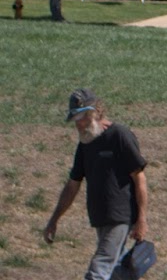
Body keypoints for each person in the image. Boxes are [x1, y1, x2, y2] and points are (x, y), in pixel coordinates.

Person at [43, 88, 149, 279]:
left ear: (98, 111)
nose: (79, 124)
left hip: (120, 216)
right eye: (75, 119)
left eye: (83, 116)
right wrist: (54, 219)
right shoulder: (85, 144)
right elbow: (73, 185)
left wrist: (141, 219)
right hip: (100, 217)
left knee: (98, 270)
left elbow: (139, 178)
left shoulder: (120, 135)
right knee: (117, 271)